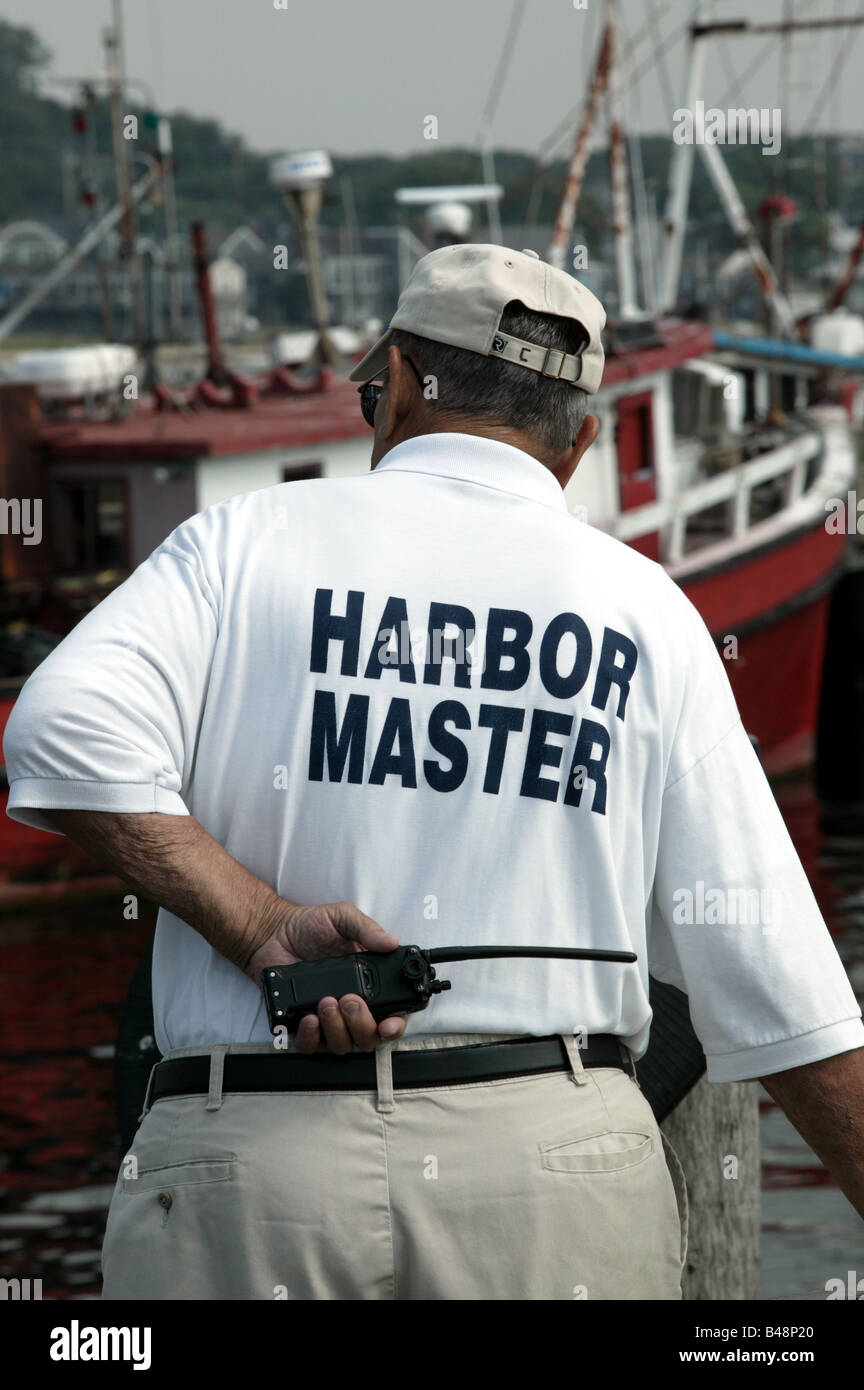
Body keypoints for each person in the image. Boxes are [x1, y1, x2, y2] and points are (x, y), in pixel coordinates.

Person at [4, 244, 863, 1302]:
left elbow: (57, 734)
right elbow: (788, 996)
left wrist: (260, 925)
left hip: (255, 1165)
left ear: (401, 385)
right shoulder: (648, 613)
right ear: (582, 439)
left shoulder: (240, 542)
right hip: (551, 1176)